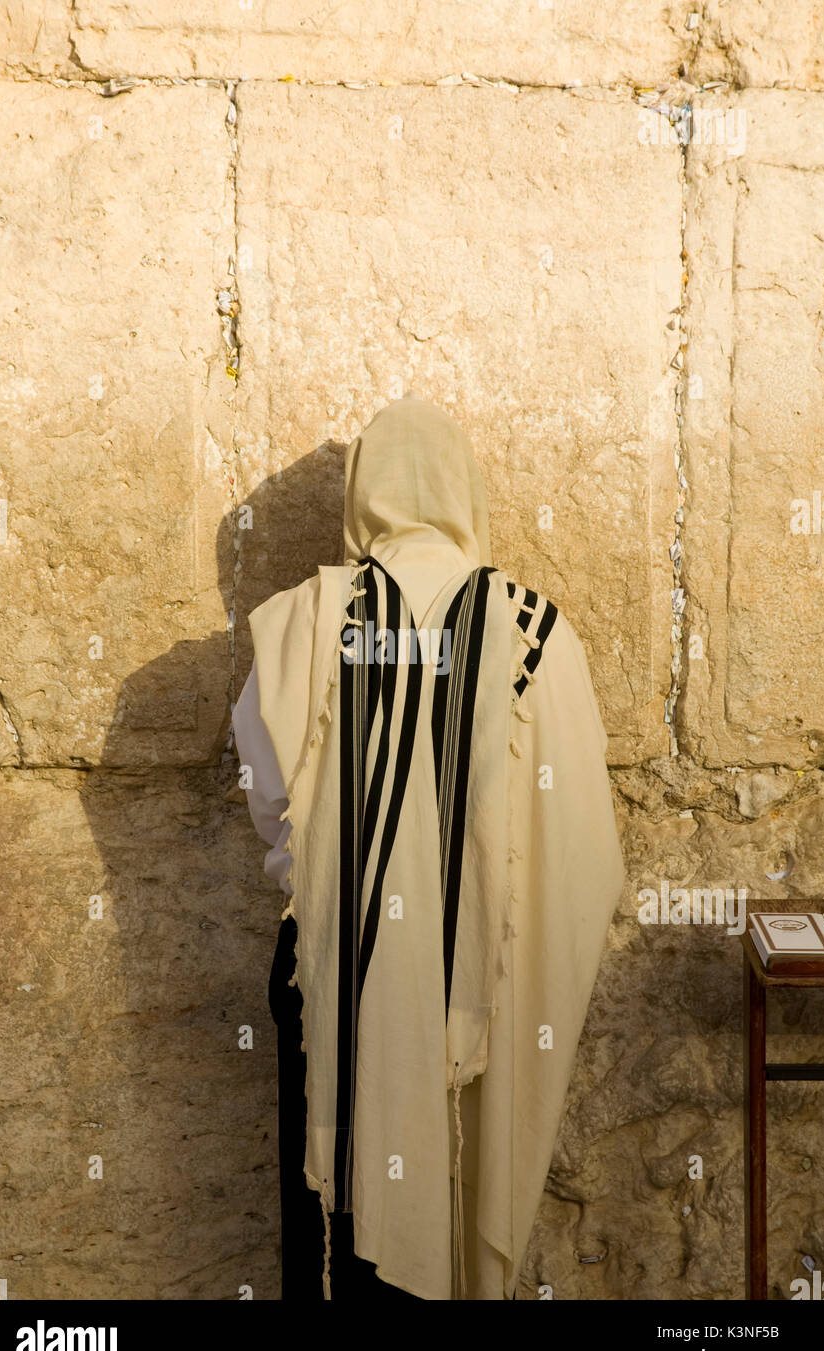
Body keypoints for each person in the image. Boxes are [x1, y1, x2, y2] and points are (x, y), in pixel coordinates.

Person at [232, 395, 625, 1300]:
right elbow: (582, 854)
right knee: (451, 1204)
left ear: (361, 495)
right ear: (464, 492)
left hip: (331, 973)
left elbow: (266, 799)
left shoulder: (301, 622)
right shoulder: (532, 632)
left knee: (336, 1234)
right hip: (481, 996)